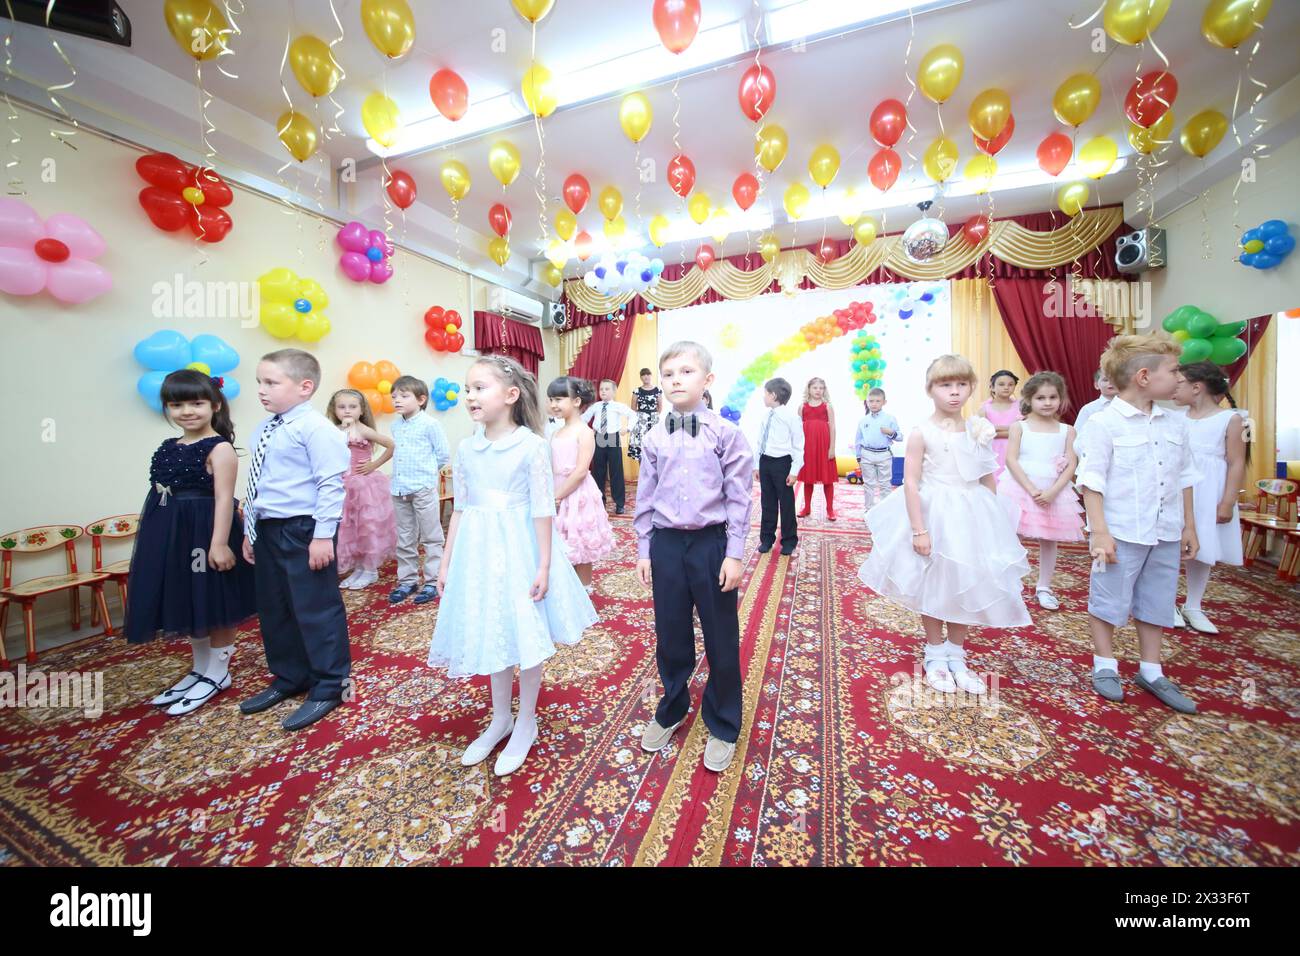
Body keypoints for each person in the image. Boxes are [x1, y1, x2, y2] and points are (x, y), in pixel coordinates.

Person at [428, 355, 597, 776]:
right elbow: (461, 510)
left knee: (524, 628)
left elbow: (543, 509)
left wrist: (543, 566)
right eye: (467, 388)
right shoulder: (467, 447)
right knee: (494, 625)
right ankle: (500, 717)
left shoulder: (532, 445)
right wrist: (446, 562)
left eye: (479, 388)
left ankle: (526, 722)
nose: (470, 396)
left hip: (520, 546)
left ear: (510, 395)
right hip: (477, 549)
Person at [858, 355, 1030, 695]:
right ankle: (935, 652)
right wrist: (919, 529)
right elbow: (910, 482)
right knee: (935, 581)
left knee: (968, 580)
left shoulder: (978, 429)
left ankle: (957, 654)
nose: (954, 392)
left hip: (971, 514)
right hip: (935, 511)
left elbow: (987, 478)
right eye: (945, 385)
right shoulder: (922, 433)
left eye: (961, 385)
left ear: (971, 388)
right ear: (930, 389)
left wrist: (993, 523)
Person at [635, 341, 754, 773]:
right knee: (669, 634)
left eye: (686, 372)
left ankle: (723, 721)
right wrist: (644, 549)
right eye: (668, 374)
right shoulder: (653, 436)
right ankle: (672, 706)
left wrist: (735, 554)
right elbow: (644, 497)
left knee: (720, 633)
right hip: (666, 543)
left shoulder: (726, 434)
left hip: (711, 544)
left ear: (707, 381)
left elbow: (740, 498)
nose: (675, 380)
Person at [1077, 334, 1199, 714]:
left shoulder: (1174, 423)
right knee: (1109, 597)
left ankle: (1151, 668)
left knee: (1158, 599)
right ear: (1144, 376)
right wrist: (1099, 532)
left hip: (1164, 529)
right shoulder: (1103, 423)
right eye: (1174, 371)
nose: (1179, 378)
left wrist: (1188, 527)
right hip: (1120, 532)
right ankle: (1105, 663)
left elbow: (1184, 478)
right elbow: (1091, 481)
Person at [126, 369, 256, 716]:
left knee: (214, 600)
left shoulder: (220, 448)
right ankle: (200, 669)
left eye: (196, 403)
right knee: (188, 599)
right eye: (176, 404)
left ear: (214, 405)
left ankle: (219, 672)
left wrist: (218, 544)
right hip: (171, 533)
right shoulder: (168, 446)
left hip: (206, 531)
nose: (187, 411)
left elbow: (225, 499)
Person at [238, 349, 352, 732]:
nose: (261, 390)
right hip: (269, 527)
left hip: (304, 529)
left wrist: (323, 536)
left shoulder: (317, 429)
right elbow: (262, 484)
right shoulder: (266, 428)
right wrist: (251, 532)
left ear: (305, 387)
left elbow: (330, 484)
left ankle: (329, 685)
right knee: (276, 607)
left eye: (271, 382)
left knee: (315, 607)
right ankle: (290, 676)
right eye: (259, 382)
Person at [1171, 361, 1246, 634]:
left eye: (1178, 383)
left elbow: (1236, 462)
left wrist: (1228, 501)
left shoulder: (1230, 419)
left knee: (1203, 548)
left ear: (1196, 387)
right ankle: (1167, 602)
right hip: (1179, 490)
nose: (1173, 388)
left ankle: (1193, 604)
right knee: (1171, 544)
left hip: (1210, 490)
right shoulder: (1175, 419)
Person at [998, 371, 1084, 610]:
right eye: (1040, 398)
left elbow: (1072, 463)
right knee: (1014, 536)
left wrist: (1054, 491)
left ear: (1060, 399)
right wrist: (1032, 489)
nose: (1047, 403)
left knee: (1050, 539)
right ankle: (1009, 583)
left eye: (1052, 397)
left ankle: (1044, 587)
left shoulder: (1067, 430)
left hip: (1054, 491)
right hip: (1021, 487)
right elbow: (1011, 460)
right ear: (1029, 399)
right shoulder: (1019, 427)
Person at [387, 375, 451, 605]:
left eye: (404, 396)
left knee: (431, 536)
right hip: (399, 489)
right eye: (394, 396)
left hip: (422, 489)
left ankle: (433, 580)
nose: (397, 400)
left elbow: (443, 455)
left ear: (421, 399)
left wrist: (425, 476)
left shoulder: (430, 424)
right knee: (405, 537)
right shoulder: (395, 426)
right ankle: (408, 580)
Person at [547, 375, 614, 591]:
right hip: (556, 488)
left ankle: (584, 590)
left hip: (577, 493)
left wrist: (557, 496)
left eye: (558, 399)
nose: (553, 405)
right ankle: (565, 588)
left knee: (581, 539)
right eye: (551, 400)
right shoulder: (556, 431)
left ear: (576, 401)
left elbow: (581, 470)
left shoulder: (585, 431)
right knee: (559, 539)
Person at [327, 388, 396, 590]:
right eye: (342, 407)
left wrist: (373, 465)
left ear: (361, 410)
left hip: (364, 486)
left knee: (367, 528)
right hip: (342, 486)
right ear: (334, 410)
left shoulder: (363, 430)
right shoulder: (334, 431)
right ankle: (358, 568)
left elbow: (391, 445)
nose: (347, 410)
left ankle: (370, 570)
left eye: (352, 406)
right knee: (350, 531)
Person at [755, 377, 804, 556]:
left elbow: (799, 445)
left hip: (782, 462)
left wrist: (794, 471)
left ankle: (789, 540)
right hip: (765, 461)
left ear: (773, 395)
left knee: (786, 503)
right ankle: (767, 538)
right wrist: (756, 465)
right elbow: (760, 440)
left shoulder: (791, 417)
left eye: (765, 394)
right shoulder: (766, 415)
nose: (764, 397)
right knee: (767, 502)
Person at [582, 379, 635, 514]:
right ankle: (599, 501)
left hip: (612, 438)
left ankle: (619, 503)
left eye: (607, 389)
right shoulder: (596, 406)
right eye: (601, 389)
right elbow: (583, 418)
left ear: (614, 391)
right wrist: (587, 430)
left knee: (616, 471)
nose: (603, 392)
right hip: (599, 437)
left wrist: (627, 428)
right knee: (598, 472)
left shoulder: (618, 406)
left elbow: (633, 415)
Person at [797, 377, 839, 520]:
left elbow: (832, 427)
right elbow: (797, 429)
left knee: (827, 478)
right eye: (815, 388)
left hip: (824, 445)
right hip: (807, 447)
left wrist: (832, 447)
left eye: (821, 388)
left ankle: (830, 509)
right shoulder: (802, 407)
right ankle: (807, 507)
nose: (818, 391)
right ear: (809, 389)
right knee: (808, 478)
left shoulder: (827, 406)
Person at [855, 387, 901, 513]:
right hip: (867, 454)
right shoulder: (863, 420)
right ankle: (869, 510)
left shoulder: (890, 418)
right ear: (867, 402)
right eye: (871, 401)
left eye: (877, 401)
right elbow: (858, 440)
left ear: (884, 402)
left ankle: (884, 511)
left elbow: (900, 437)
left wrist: (891, 432)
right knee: (868, 484)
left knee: (885, 484)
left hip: (884, 454)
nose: (874, 404)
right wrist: (858, 456)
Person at [981, 369, 1022, 477]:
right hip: (992, 450)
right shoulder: (985, 408)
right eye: (1001, 384)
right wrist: (1010, 430)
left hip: (1014, 449)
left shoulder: (1020, 407)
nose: (1006, 387)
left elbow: (1023, 432)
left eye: (1010, 384)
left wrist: (994, 429)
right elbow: (981, 433)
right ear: (992, 387)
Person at [1072, 366, 1118, 459]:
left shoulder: (1130, 406)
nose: (1111, 383)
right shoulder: (1089, 409)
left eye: (1115, 379)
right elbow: (1077, 436)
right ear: (1096, 385)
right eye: (1106, 380)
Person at [628, 367, 664, 463]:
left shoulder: (657, 390)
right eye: (643, 375)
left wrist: (653, 416)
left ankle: (655, 475)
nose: (646, 377)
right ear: (640, 377)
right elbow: (633, 408)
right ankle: (642, 474)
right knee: (641, 447)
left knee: (654, 446)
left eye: (648, 374)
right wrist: (641, 417)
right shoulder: (637, 391)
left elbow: (660, 407)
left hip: (654, 420)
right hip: (640, 421)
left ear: (651, 376)